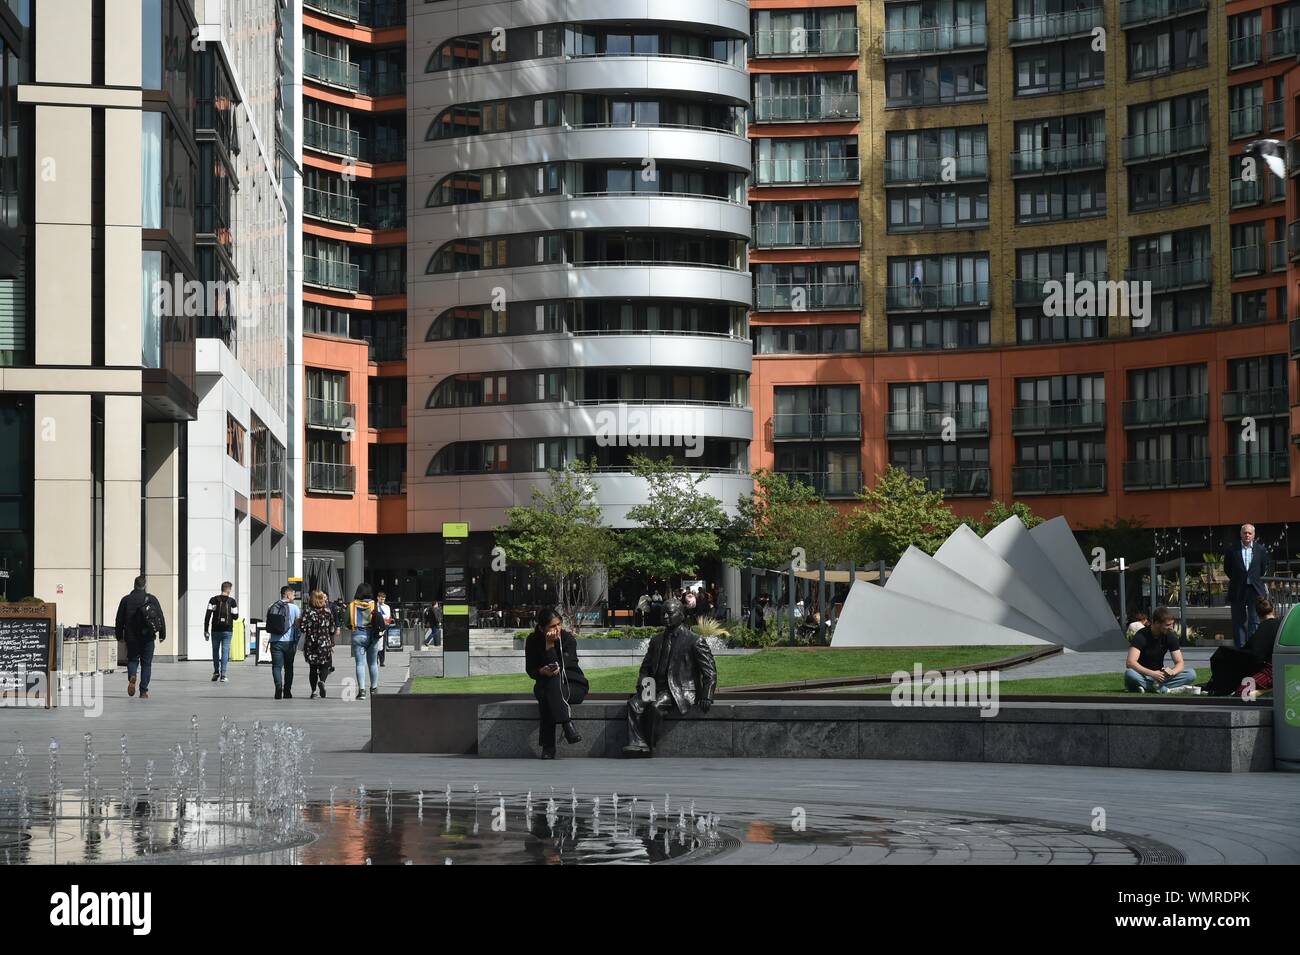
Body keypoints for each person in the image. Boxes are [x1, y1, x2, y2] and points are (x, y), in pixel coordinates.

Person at [623, 597, 717, 757]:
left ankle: (649, 745)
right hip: (653, 686)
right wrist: (642, 685)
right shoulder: (656, 640)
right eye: (662, 614)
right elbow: (645, 667)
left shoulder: (694, 640)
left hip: (679, 689)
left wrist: (707, 695)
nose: (665, 617)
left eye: (669, 613)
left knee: (655, 706)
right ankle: (637, 742)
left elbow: (710, 671)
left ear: (681, 615)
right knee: (634, 704)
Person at [525, 606, 589, 759]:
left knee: (548, 691)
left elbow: (562, 666)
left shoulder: (567, 639)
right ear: (541, 628)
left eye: (559, 624)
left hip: (572, 685)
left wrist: (550, 647)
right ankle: (567, 724)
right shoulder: (532, 640)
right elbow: (531, 669)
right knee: (549, 687)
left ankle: (548, 747)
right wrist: (542, 670)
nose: (557, 628)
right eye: (552, 626)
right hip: (546, 684)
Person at [1204, 596, 1278, 698]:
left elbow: (1254, 655)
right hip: (1282, 666)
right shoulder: (1282, 625)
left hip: (1271, 670)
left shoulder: (1261, 631)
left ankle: (1271, 690)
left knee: (1242, 693)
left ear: (1257, 613)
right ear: (1273, 610)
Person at [1123, 606, 1199, 694]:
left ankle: (1148, 687)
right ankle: (1164, 689)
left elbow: (1179, 662)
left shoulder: (1170, 636)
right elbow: (1130, 663)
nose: (1171, 627)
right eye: (1167, 625)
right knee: (1129, 674)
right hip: (1142, 674)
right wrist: (1152, 673)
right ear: (1156, 623)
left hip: (1160, 677)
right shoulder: (1141, 636)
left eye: (1172, 624)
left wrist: (1172, 672)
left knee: (1191, 674)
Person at [114, 576, 166, 700]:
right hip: (148, 637)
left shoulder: (126, 600)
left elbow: (119, 619)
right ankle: (143, 692)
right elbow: (160, 616)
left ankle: (132, 676)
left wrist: (119, 635)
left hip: (131, 637)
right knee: (146, 664)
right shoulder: (151, 599)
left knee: (132, 660)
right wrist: (162, 634)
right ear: (145, 585)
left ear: (134, 585)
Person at [1224, 523, 1270, 649]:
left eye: (1250, 533)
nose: (1247, 535)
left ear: (1254, 535)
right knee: (1238, 621)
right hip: (1238, 589)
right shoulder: (1232, 550)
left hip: (1254, 589)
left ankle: (1253, 646)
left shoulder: (1260, 549)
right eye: (1245, 533)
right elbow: (1227, 569)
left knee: (1254, 620)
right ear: (1241, 534)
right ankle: (1241, 648)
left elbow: (1262, 568)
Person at [266, 586, 302, 700]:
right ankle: (287, 691)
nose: (294, 596)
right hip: (290, 642)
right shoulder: (295, 608)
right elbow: (298, 625)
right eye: (293, 594)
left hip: (275, 642)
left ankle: (278, 687)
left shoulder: (271, 606)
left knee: (276, 667)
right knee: (289, 667)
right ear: (287, 595)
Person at [300, 589, 337, 699]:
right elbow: (332, 629)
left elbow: (302, 628)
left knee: (312, 668)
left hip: (311, 643)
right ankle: (322, 681)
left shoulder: (308, 611)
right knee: (324, 665)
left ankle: (313, 691)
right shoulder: (327, 612)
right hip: (324, 642)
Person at [347, 583, 379, 700]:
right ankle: (374, 689)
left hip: (358, 635)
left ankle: (362, 691)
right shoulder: (374, 605)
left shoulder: (352, 605)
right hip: (372, 637)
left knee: (360, 664)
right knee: (373, 663)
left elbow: (347, 621)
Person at [203, 581, 239, 683]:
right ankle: (223, 675)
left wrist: (205, 630)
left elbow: (208, 616)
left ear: (222, 588)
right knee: (225, 652)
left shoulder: (213, 600)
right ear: (229, 589)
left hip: (215, 630)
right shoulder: (232, 601)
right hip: (227, 631)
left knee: (215, 651)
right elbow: (236, 617)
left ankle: (215, 672)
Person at [375, 590, 393, 667]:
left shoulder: (387, 607)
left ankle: (382, 661)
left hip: (384, 626)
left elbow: (388, 617)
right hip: (376, 626)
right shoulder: (374, 606)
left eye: (383, 599)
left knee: (383, 643)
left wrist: (386, 622)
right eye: (381, 599)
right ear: (377, 598)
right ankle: (375, 660)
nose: (382, 600)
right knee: (375, 643)